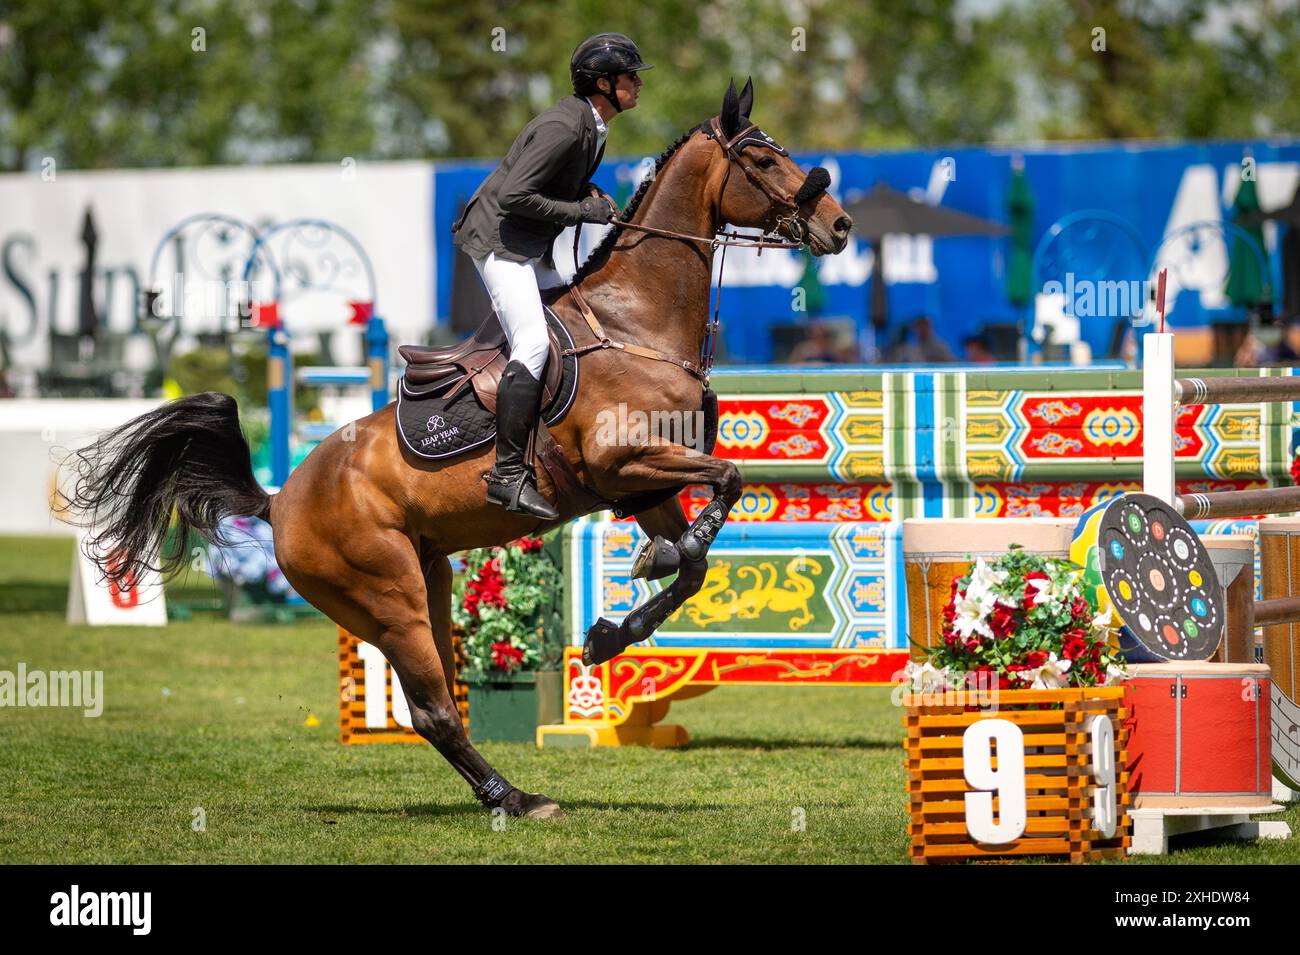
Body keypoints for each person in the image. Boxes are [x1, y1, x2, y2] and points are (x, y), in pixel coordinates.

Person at [451, 33, 652, 519]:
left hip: (527, 243)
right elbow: (515, 195)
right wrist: (582, 210)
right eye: (630, 76)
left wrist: (585, 192)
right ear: (602, 83)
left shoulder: (590, 124)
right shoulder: (565, 126)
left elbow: (551, 182)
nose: (638, 84)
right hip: (500, 243)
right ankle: (506, 475)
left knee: (575, 330)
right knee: (534, 344)